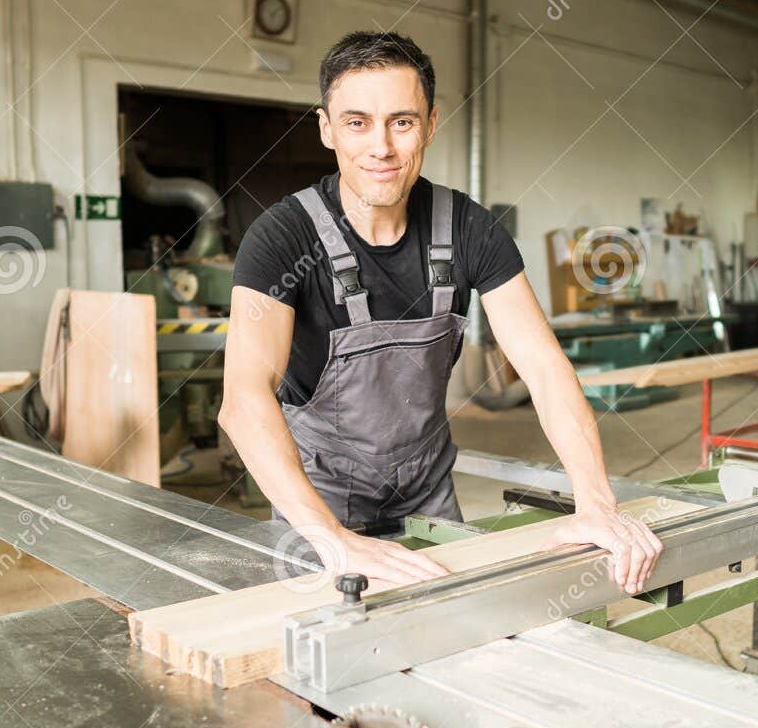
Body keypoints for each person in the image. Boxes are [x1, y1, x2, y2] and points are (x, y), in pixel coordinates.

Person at [221, 30, 661, 592]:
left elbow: (545, 368)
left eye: (401, 122)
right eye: (357, 122)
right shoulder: (282, 236)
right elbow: (242, 400)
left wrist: (596, 502)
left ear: (430, 123)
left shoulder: (469, 229)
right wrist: (335, 539)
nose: (380, 146)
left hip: (428, 492)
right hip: (317, 500)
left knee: (462, 629)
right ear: (327, 129)